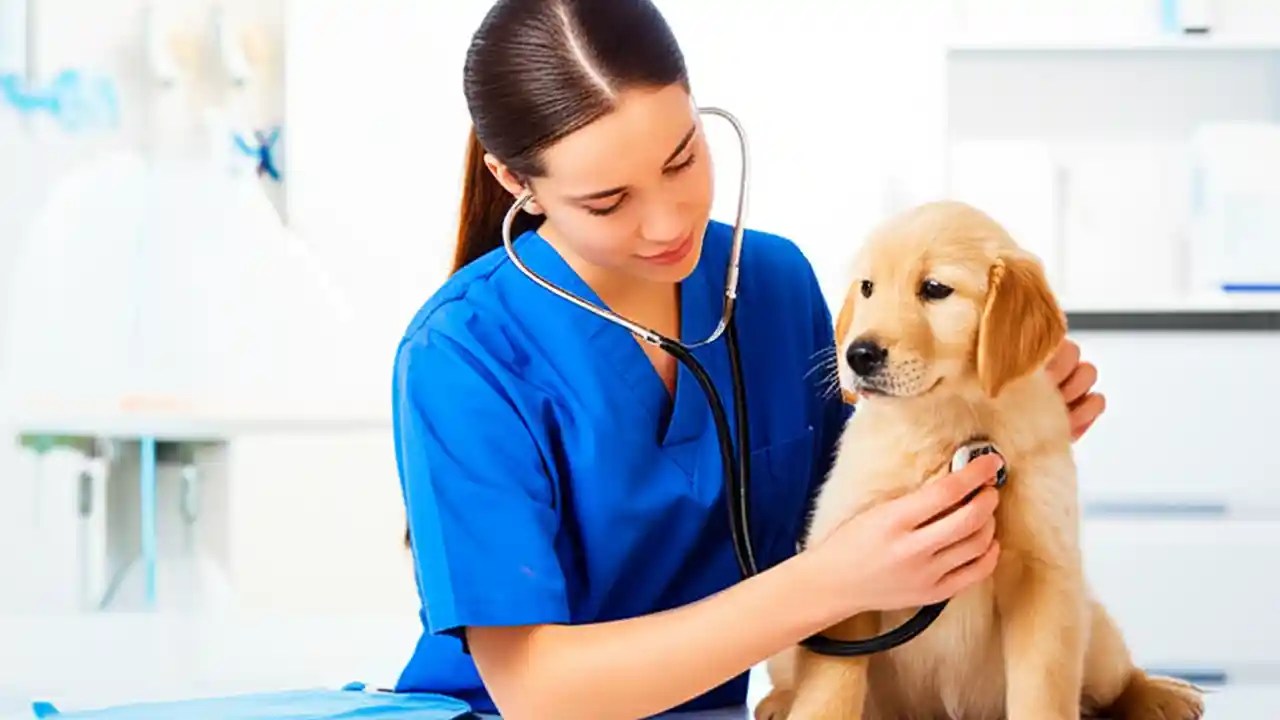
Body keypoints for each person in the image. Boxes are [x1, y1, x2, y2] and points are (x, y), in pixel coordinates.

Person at [390, 1, 1106, 717]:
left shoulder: (772, 284)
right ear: (518, 183)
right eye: (608, 202)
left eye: (682, 159)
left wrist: (988, 418)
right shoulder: (463, 354)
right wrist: (831, 584)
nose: (670, 222)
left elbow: (868, 498)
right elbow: (538, 692)